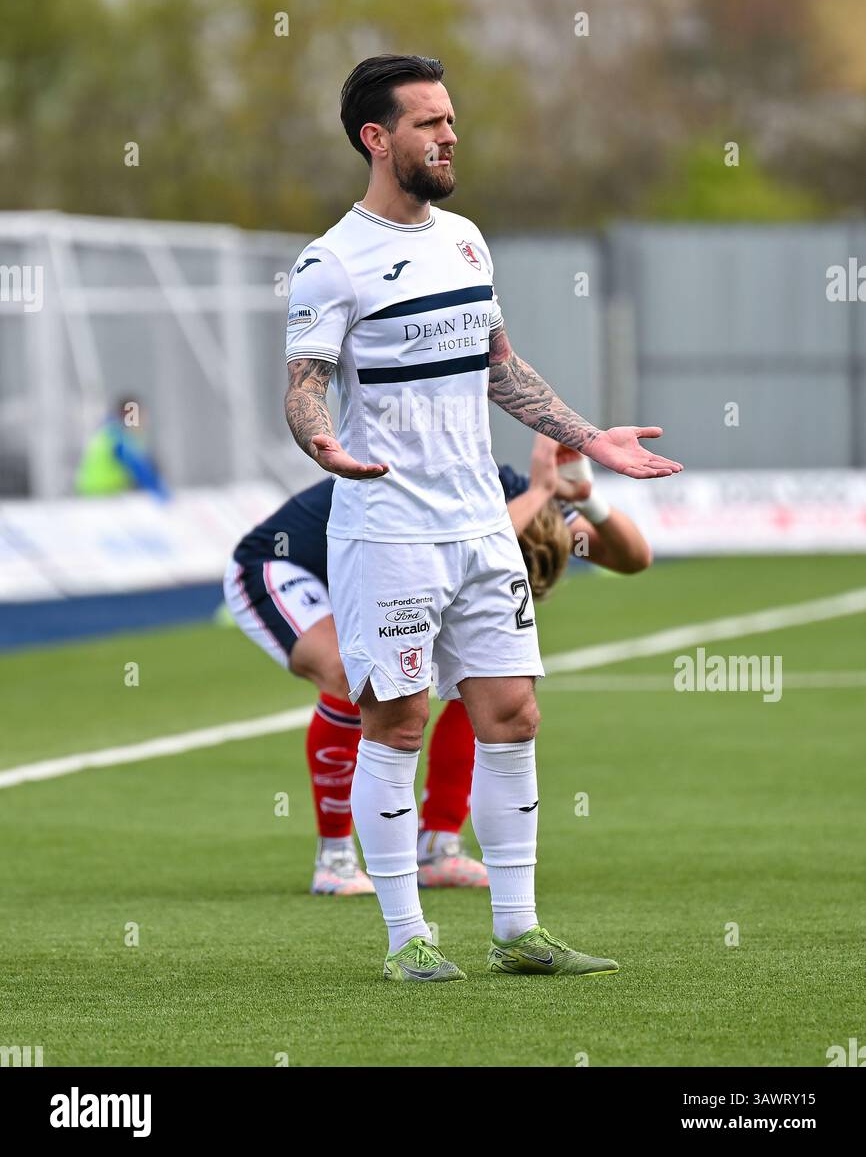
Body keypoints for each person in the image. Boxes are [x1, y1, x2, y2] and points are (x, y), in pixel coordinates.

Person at [282, 53, 682, 982]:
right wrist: (323, 444)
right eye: (428, 122)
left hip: (479, 524)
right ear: (377, 139)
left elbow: (501, 366)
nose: (449, 135)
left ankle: (518, 929)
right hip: (388, 529)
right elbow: (304, 385)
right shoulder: (329, 263)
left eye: (451, 119)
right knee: (397, 723)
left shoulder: (465, 239)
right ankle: (406, 939)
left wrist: (592, 437)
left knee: (513, 714)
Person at [225, 435, 651, 895]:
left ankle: (437, 846)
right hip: (284, 566)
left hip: (376, 583)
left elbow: (634, 558)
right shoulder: (458, 487)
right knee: (354, 678)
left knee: (488, 681)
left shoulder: (517, 493)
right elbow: (479, 540)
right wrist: (543, 493)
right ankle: (334, 857)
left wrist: (590, 501)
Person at [75, 398, 169, 499]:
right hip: (104, 496)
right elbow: (138, 467)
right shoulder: (119, 437)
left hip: (90, 494)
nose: (144, 421)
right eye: (141, 416)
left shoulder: (107, 432)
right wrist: (161, 492)